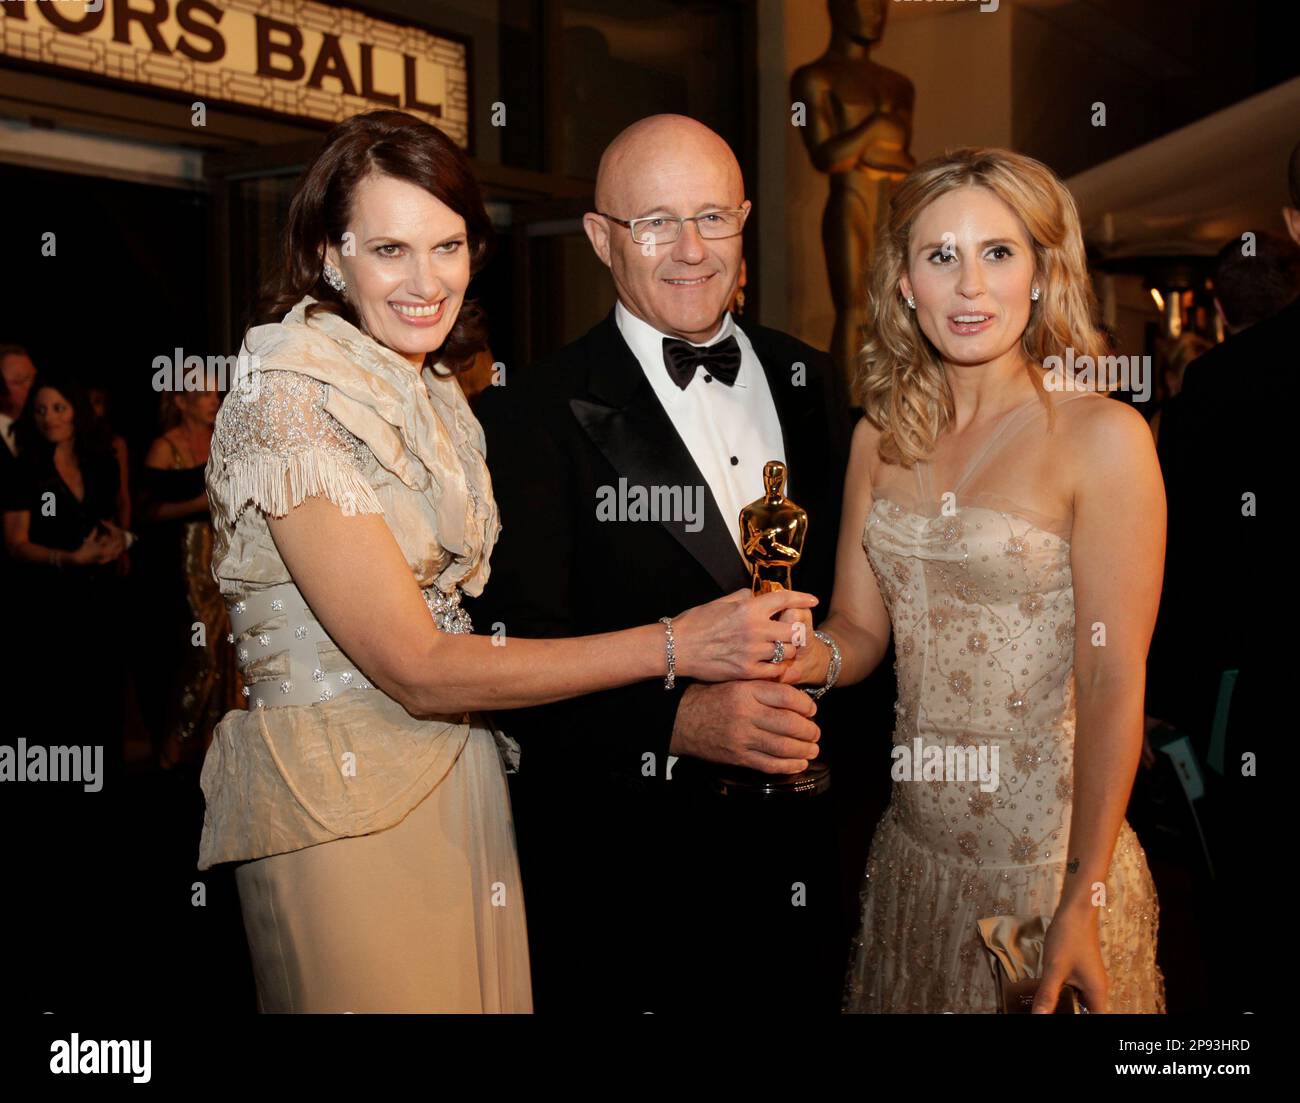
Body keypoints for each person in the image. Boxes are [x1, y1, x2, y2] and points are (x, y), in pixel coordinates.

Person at [196, 110, 816, 1014]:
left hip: (471, 784)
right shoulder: (286, 396)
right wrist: (677, 646)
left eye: (447, 246)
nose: (425, 280)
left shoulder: (441, 394)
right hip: (340, 804)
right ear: (331, 254)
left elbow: (483, 627)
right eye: (389, 249)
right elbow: (418, 666)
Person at [467, 114, 885, 1013]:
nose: (691, 249)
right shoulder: (528, 414)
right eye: (655, 221)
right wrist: (675, 725)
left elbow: (865, 605)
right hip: (632, 883)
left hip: (810, 864)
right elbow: (504, 664)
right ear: (600, 239)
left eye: (712, 217)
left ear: (744, 222)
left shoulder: (816, 383)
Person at [779, 147, 1166, 1013]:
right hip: (913, 856)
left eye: (997, 252)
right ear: (905, 283)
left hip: (1047, 872)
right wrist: (797, 655)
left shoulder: (1102, 437)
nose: (969, 287)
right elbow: (861, 626)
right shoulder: (881, 434)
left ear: (1039, 270)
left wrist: (1083, 894)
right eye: (940, 256)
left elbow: (1113, 679)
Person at [138, 380, 240, 770]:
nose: (214, 400)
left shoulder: (225, 437)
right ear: (181, 402)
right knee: (201, 653)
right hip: (184, 564)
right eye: (204, 394)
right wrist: (202, 504)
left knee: (229, 651)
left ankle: (214, 748)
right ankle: (173, 746)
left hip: (226, 559)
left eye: (217, 393)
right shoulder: (167, 446)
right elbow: (146, 512)